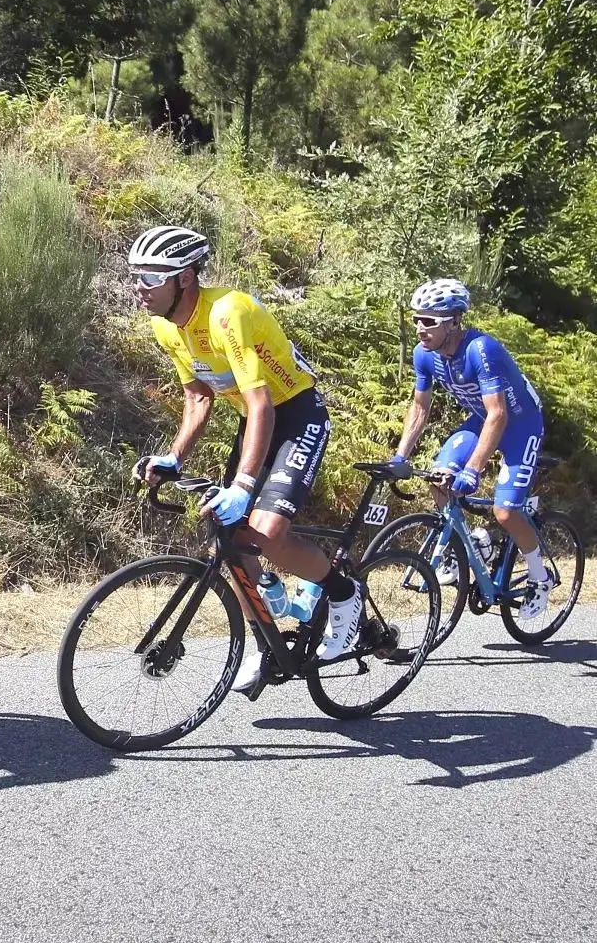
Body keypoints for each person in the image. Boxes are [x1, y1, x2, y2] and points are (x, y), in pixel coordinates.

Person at [128, 225, 362, 694]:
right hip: (255, 419)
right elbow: (197, 398)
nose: (140, 288)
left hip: (295, 413)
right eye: (135, 276)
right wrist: (173, 458)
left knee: (268, 534)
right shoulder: (165, 325)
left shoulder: (227, 313)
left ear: (186, 278)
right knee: (231, 541)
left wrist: (244, 483)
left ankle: (344, 594)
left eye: (152, 277)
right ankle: (268, 642)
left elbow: (261, 403)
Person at [390, 278, 550, 619]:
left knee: (505, 512)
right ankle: (473, 543)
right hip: (481, 420)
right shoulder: (425, 354)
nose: (420, 327)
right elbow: (419, 409)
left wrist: (473, 470)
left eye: (429, 320)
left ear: (454, 322)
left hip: (520, 425)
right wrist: (400, 456)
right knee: (438, 477)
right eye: (416, 318)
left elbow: (499, 414)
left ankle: (540, 576)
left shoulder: (481, 350)